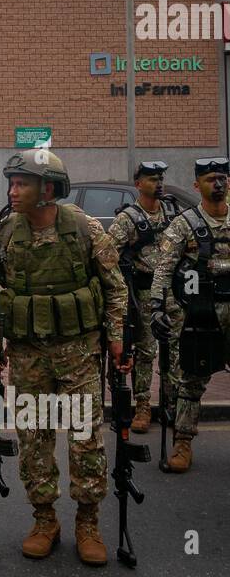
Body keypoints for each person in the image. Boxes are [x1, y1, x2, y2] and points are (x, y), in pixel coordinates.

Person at [0, 150, 130, 566]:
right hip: (27, 355)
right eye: (12, 182)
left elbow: (115, 286)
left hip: (78, 352)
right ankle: (44, 520)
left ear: (49, 188)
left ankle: (88, 522)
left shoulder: (84, 228)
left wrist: (115, 338)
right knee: (34, 438)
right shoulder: (4, 233)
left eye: (21, 182)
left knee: (85, 436)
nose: (13, 190)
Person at [150, 158, 230, 474]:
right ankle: (182, 444)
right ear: (197, 186)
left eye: (222, 178)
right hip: (201, 315)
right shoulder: (185, 225)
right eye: (211, 179)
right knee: (191, 381)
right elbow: (164, 267)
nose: (218, 184)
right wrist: (156, 307)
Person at [107, 162, 181, 433]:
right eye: (151, 179)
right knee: (146, 352)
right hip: (145, 293)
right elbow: (108, 257)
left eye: (160, 178)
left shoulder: (173, 213)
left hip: (173, 294)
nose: (158, 183)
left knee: (174, 353)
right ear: (138, 184)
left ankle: (171, 404)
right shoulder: (128, 218)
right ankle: (142, 405)